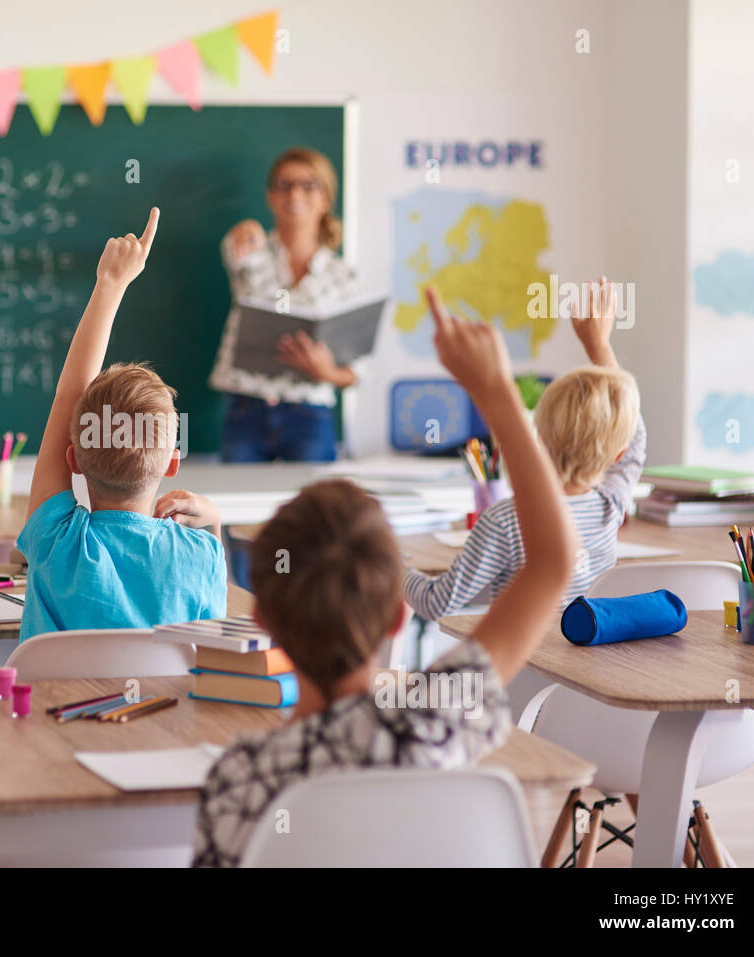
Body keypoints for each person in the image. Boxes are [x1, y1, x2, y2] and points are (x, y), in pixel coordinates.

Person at [192, 286, 578, 866]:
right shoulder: (435, 722)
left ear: (262, 620)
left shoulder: (243, 779)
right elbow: (552, 562)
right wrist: (496, 394)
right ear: (399, 613)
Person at [16, 208, 228, 641]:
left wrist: (109, 284)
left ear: (72, 459)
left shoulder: (58, 544)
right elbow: (212, 648)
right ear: (172, 463)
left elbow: (67, 396)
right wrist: (214, 526)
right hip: (163, 710)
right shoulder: (200, 555)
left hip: (51, 710)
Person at [404, 277, 645, 619]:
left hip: (521, 667)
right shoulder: (611, 507)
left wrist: (391, 566)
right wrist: (599, 347)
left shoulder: (506, 520)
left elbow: (435, 602)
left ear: (539, 437)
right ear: (617, 454)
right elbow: (634, 440)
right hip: (583, 666)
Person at [209, 146, 360, 463]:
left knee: (314, 510)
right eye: (284, 185)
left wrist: (327, 371)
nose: (295, 195)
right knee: (238, 506)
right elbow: (233, 251)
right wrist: (245, 231)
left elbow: (355, 372)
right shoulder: (252, 250)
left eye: (309, 185)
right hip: (245, 408)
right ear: (270, 196)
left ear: (326, 199)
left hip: (310, 414)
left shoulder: (344, 276)